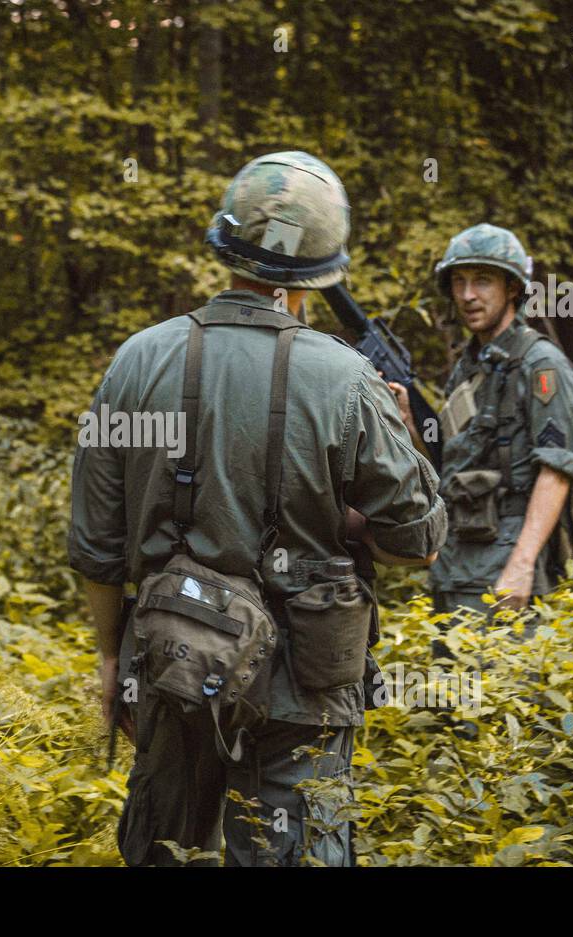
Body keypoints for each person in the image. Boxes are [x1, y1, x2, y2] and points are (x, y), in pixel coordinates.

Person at [68, 151, 446, 866]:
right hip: (300, 687)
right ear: (322, 271)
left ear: (226, 245)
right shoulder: (348, 380)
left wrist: (114, 659)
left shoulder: (135, 361)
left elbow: (97, 543)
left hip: (174, 662)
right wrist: (390, 450)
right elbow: (418, 541)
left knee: (164, 852)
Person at [387, 223, 573, 637]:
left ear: (512, 288)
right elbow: (454, 462)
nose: (467, 295)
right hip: (457, 563)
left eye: (482, 281)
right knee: (451, 698)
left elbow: (557, 470)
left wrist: (522, 564)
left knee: (503, 696)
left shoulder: (539, 363)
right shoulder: (471, 365)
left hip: (505, 568)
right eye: (458, 282)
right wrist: (411, 424)